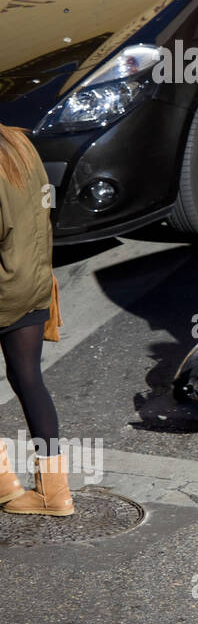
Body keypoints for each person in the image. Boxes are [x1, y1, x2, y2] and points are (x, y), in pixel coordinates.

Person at [0, 124, 73, 516]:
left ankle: (3, 480)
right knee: (29, 379)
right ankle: (54, 492)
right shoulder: (19, 143)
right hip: (35, 280)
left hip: (4, 286)